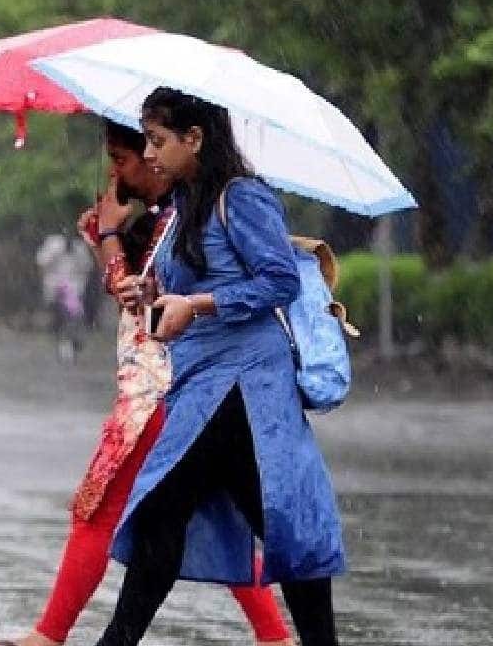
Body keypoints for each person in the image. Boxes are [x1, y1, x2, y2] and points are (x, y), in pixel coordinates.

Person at [0, 120, 293, 646]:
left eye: (131, 156)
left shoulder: (189, 216)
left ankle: (50, 636)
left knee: (100, 510)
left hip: (161, 392)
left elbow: (147, 302)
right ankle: (276, 636)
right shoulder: (175, 214)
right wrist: (107, 238)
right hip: (179, 390)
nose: (121, 169)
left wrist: (110, 237)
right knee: (210, 515)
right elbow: (133, 292)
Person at [96, 88, 346, 646]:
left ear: (195, 138)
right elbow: (191, 280)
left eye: (159, 141)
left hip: (243, 392)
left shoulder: (243, 197)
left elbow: (278, 280)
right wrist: (151, 289)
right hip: (201, 387)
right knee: (256, 522)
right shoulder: (186, 206)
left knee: (176, 515)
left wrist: (200, 305)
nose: (151, 153)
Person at [35, 229, 94, 361]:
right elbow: (42, 263)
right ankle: (62, 340)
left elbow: (87, 268)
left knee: (73, 317)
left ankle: (72, 341)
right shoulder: (53, 244)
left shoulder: (79, 248)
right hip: (55, 286)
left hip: (74, 288)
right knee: (58, 317)